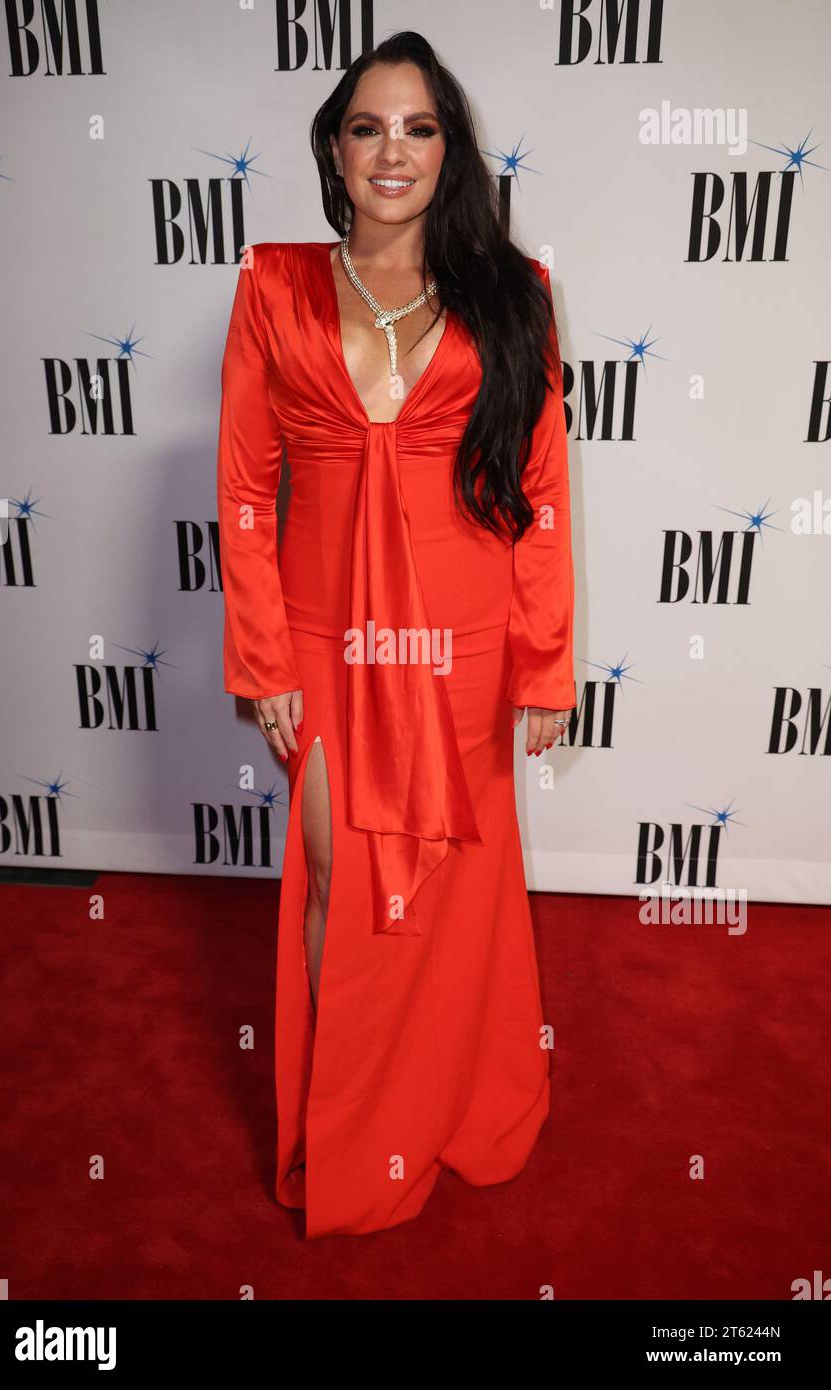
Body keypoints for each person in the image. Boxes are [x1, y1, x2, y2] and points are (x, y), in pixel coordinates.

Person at [216, 30, 576, 1239]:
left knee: (458, 892)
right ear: (332, 144)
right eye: (368, 126)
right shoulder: (270, 286)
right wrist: (261, 656)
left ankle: (449, 1099)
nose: (392, 151)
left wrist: (541, 661)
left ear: (448, 150)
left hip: (464, 645)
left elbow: (537, 495)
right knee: (336, 876)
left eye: (418, 128)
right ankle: (349, 1123)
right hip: (322, 639)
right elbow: (244, 489)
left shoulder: (509, 295)